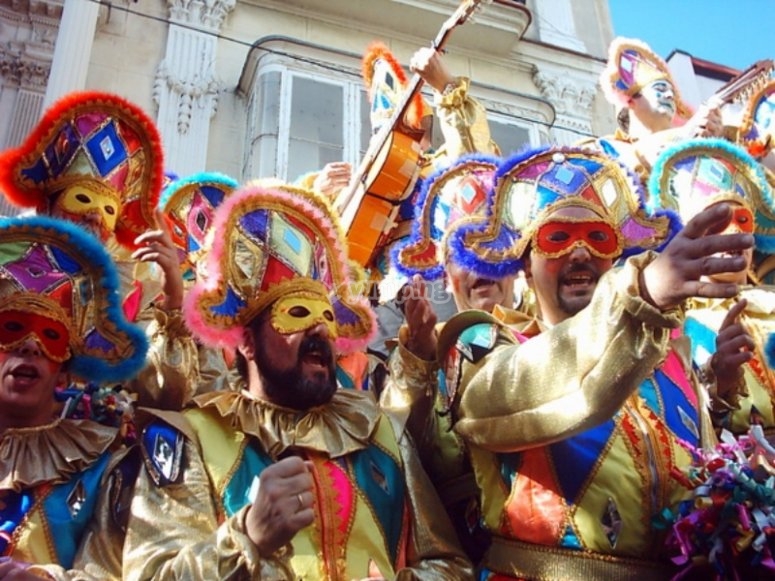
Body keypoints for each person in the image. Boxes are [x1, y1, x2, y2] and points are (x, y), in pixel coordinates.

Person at [121, 182, 473, 579]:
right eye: (296, 313)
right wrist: (246, 538)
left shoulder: (380, 433)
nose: (319, 332)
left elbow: (450, 565)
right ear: (249, 344)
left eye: (326, 319)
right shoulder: (191, 439)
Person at [431, 146, 753, 578]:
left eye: (598, 238)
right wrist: (640, 293)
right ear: (526, 264)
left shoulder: (664, 351)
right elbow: (510, 398)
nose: (580, 253)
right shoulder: (483, 345)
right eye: (557, 238)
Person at [0, 91, 197, 410]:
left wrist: (174, 300)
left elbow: (164, 396)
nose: (94, 215)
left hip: (74, 444)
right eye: (81, 198)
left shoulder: (131, 293)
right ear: (47, 204)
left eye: (108, 209)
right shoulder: (6, 261)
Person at [0, 215, 148, 579]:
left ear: (65, 369)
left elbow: (114, 570)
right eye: (12, 328)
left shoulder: (103, 463)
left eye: (50, 337)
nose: (31, 346)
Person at [647, 137, 775, 435]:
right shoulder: (670, 321)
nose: (732, 233)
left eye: (741, 220)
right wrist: (720, 383)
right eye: (717, 224)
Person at [591, 37, 724, 184]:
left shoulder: (692, 148)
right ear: (629, 99)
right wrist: (686, 134)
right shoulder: (603, 149)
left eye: (672, 93)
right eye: (660, 88)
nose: (669, 95)